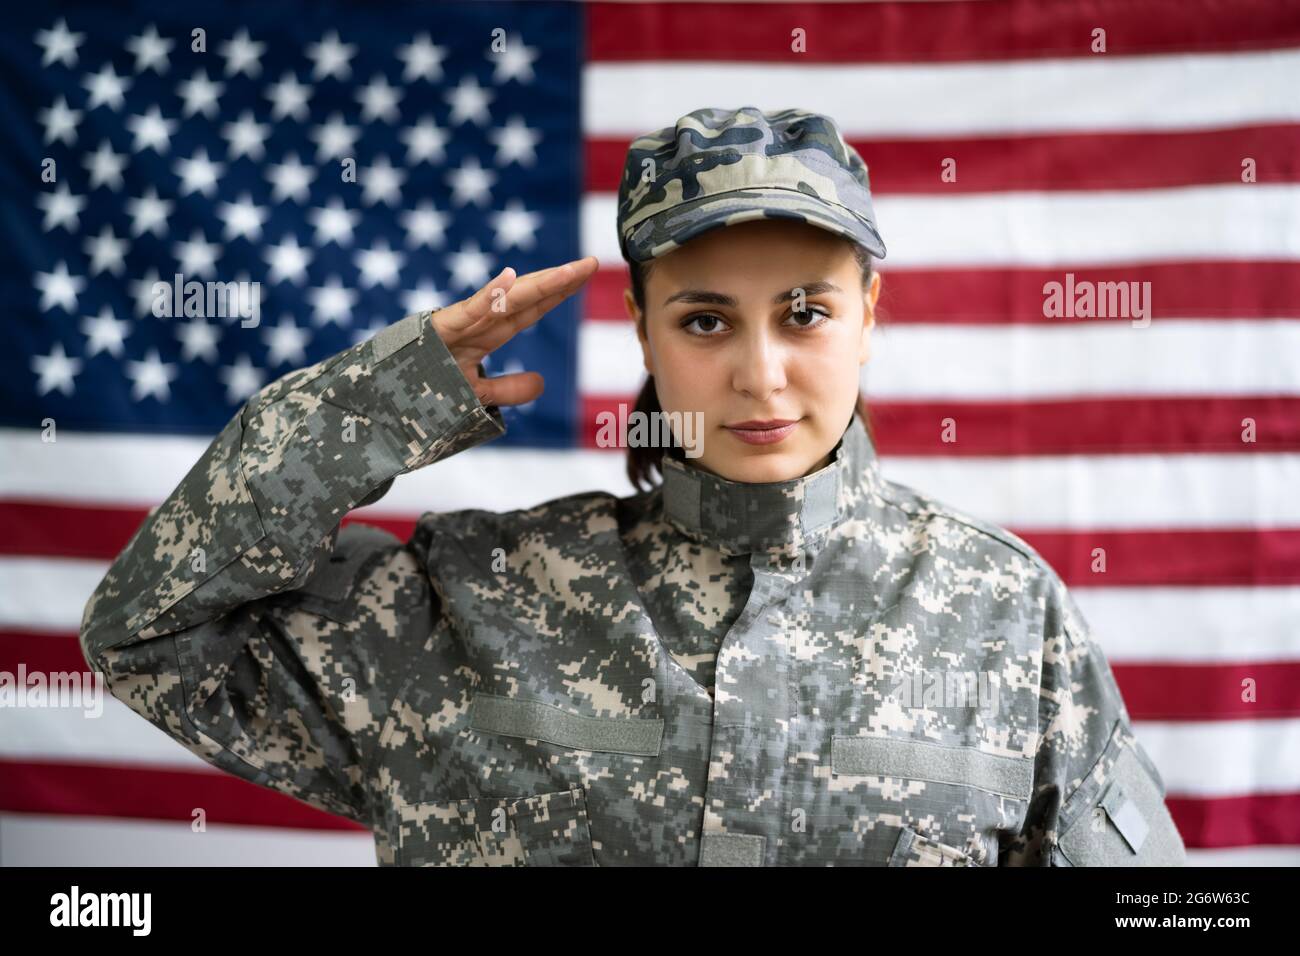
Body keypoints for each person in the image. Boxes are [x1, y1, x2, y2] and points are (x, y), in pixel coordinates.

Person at [79, 106, 1187, 867]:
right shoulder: (466, 600)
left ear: (870, 314)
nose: (759, 372)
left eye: (806, 311)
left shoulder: (1006, 617)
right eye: (705, 319)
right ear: (643, 325)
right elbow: (147, 629)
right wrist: (383, 399)